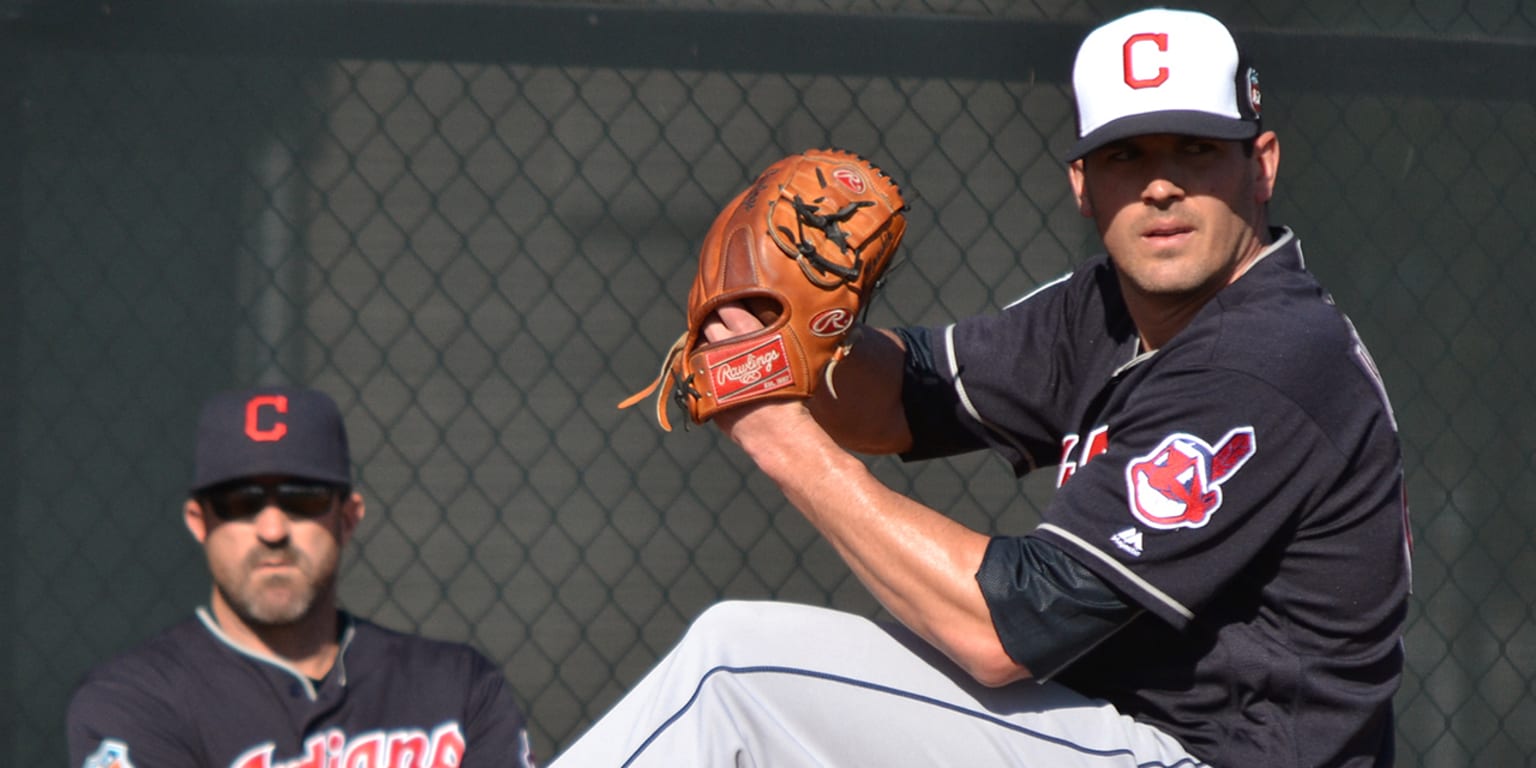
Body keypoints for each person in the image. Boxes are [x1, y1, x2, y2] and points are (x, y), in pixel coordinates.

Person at [554, 7, 1409, 767]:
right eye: (1126, 154)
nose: (1159, 183)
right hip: (1108, 729)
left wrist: (778, 432)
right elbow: (903, 398)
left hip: (1203, 756)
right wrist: (798, 341)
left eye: (1195, 149)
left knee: (735, 670)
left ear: (1260, 163)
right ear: (1083, 182)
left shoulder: (1267, 359)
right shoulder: (1109, 308)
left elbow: (1004, 629)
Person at [66, 386, 538, 768]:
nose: (272, 530)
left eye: (303, 499)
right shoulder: (134, 702)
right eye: (240, 503)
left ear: (347, 518)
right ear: (199, 521)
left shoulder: (457, 687)